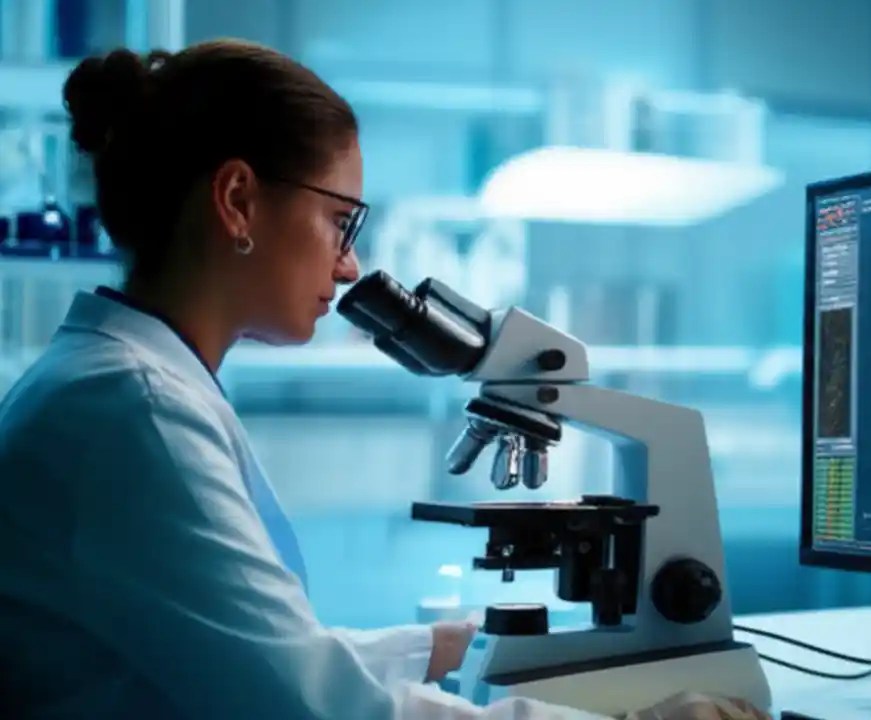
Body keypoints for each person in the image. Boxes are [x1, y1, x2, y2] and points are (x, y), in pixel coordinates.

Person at [0, 39, 768, 720]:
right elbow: (316, 707)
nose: (350, 266)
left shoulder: (116, 385)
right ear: (237, 201)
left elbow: (264, 657)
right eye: (340, 222)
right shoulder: (137, 412)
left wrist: (439, 647)